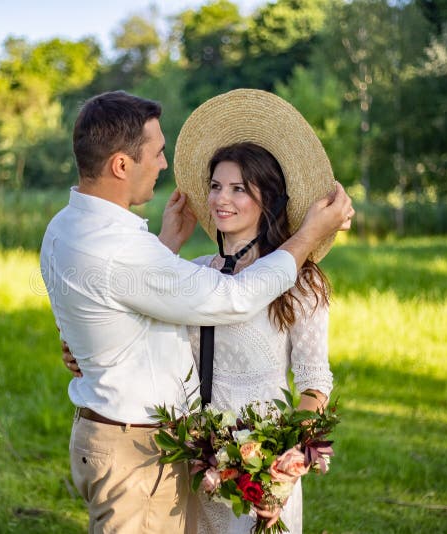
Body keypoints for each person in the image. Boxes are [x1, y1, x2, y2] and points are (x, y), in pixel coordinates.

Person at [41, 90, 353, 534]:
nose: (221, 198)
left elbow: (314, 380)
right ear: (121, 165)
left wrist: (286, 454)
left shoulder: (299, 286)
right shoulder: (188, 273)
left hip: (257, 469)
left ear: (271, 199)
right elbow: (227, 297)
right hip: (189, 462)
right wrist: (305, 239)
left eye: (239, 188)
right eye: (215, 186)